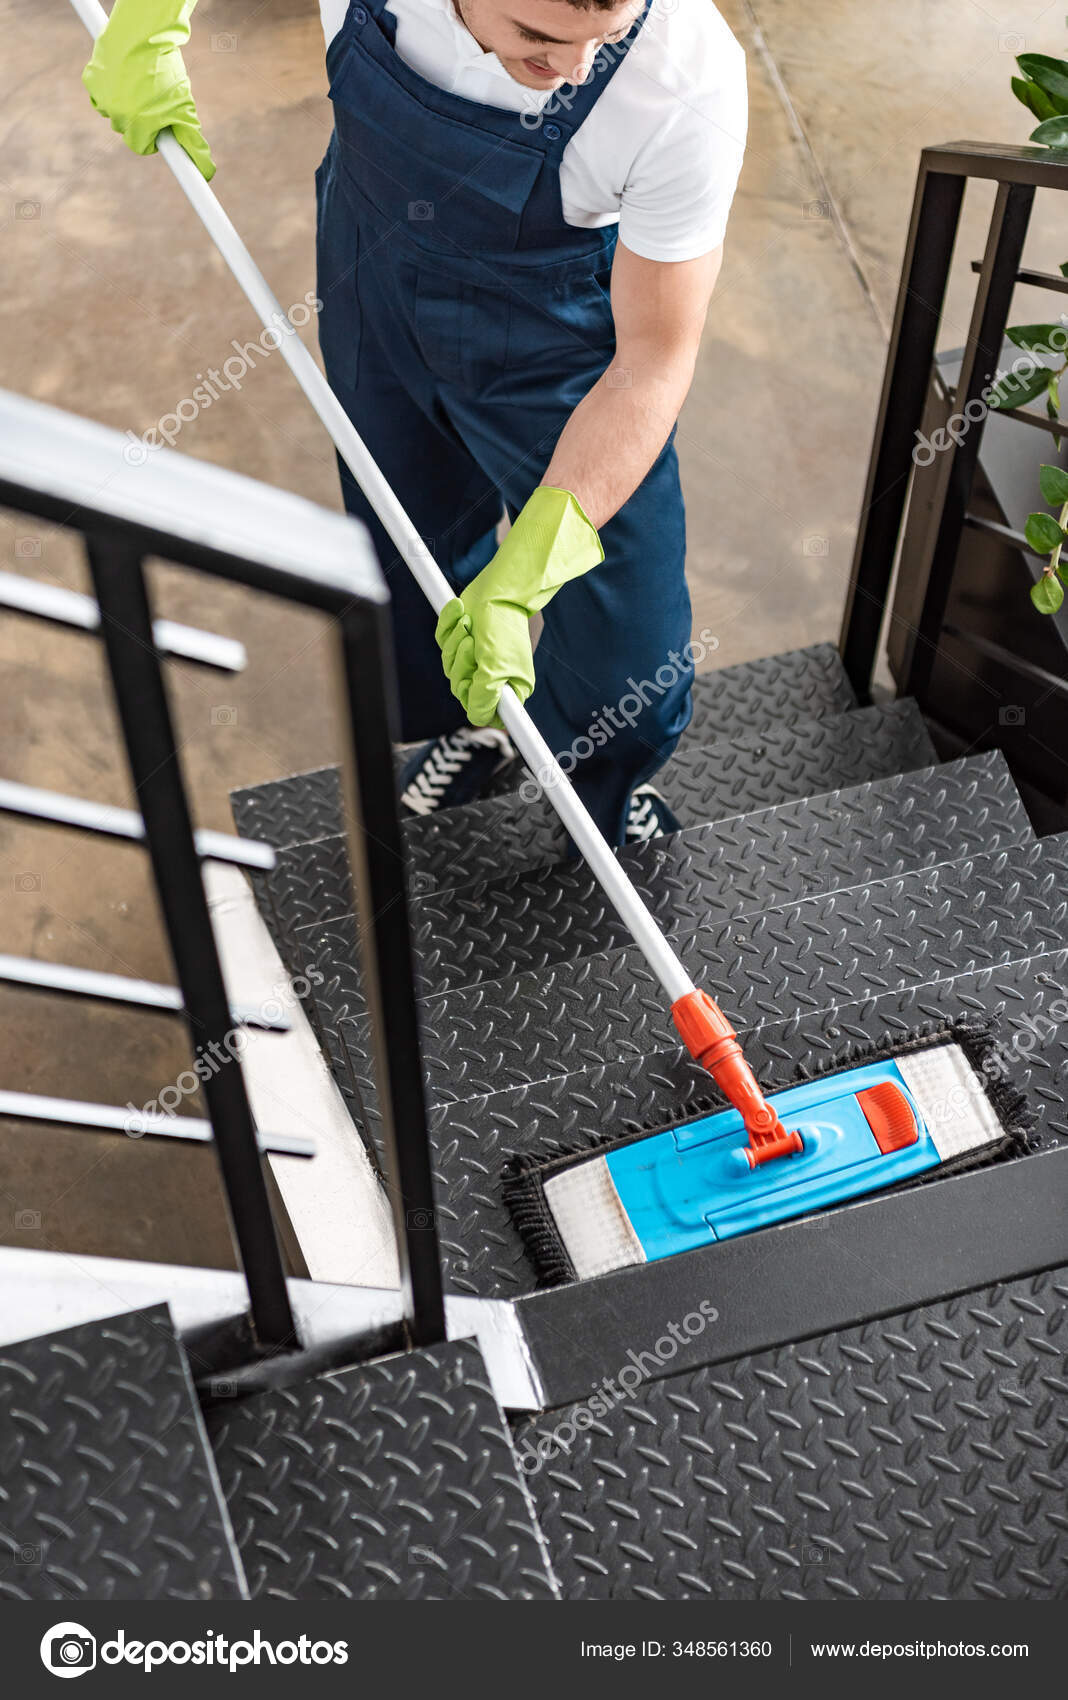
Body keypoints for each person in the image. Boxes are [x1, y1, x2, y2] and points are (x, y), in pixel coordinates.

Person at [83, 0, 747, 844]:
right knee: (409, 547)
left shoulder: (685, 83)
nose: (577, 70)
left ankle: (597, 792)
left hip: (560, 349)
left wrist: (544, 546)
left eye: (604, 38)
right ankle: (465, 725)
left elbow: (652, 361)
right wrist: (151, 17)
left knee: (635, 672)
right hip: (374, 278)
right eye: (540, 39)